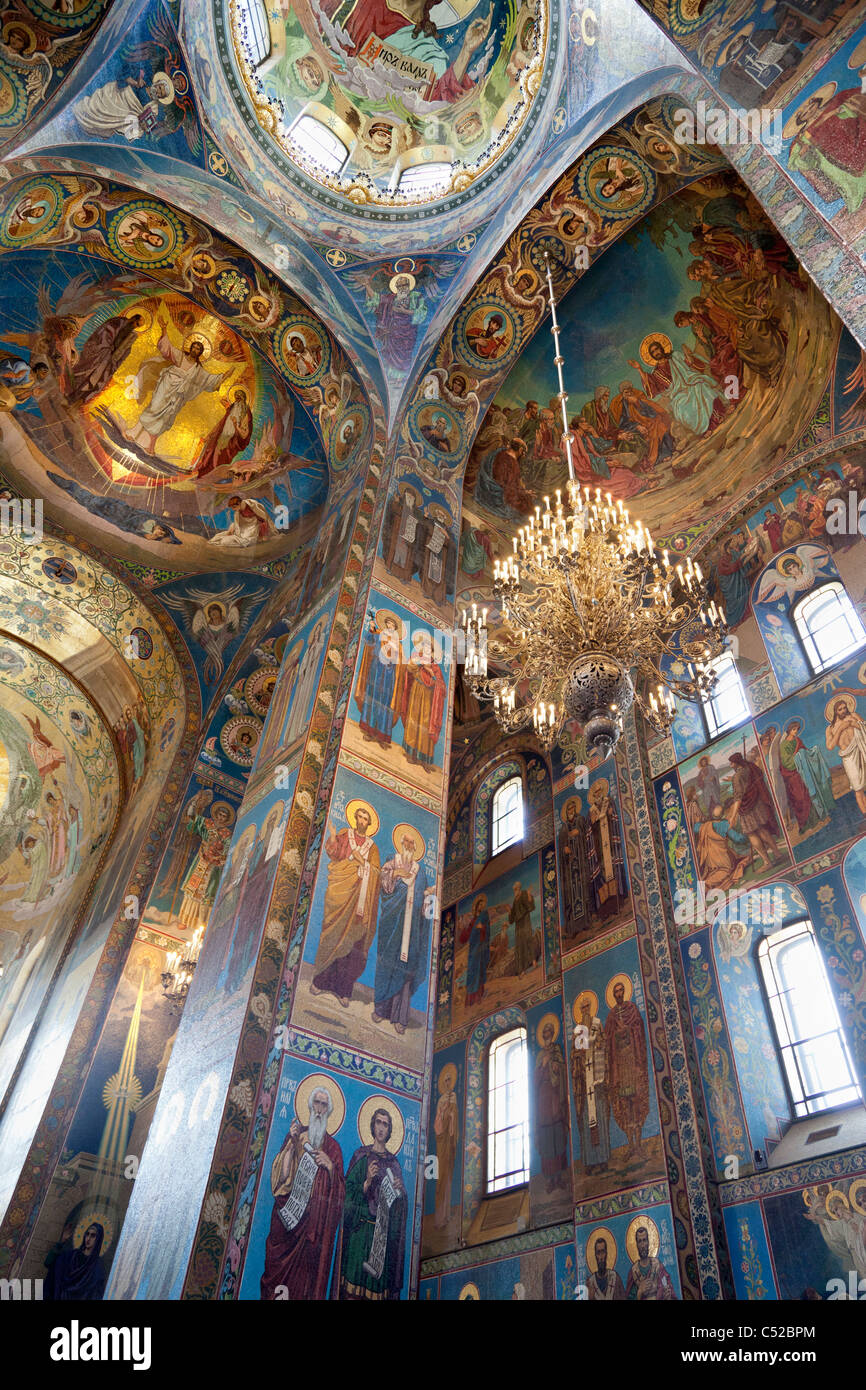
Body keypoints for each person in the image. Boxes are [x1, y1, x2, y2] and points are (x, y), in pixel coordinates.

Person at [260, 1085, 345, 1300]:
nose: (319, 1108)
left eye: (324, 1104)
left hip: (311, 1233)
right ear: (309, 1106)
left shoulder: (333, 1149)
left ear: (329, 1111)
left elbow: (341, 1196)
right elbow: (281, 1178)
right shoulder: (296, 1136)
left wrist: (330, 1168)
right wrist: (290, 1143)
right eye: (316, 1102)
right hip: (287, 1224)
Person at [310, 803, 381, 1006]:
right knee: (335, 937)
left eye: (365, 818)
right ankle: (321, 981)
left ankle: (344, 990)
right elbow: (335, 854)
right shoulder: (345, 834)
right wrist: (333, 836)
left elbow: (377, 872)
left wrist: (365, 865)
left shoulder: (372, 847)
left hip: (360, 901)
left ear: (369, 824)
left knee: (353, 945)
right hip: (342, 894)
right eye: (359, 816)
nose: (361, 820)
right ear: (354, 818)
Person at [127, 320, 230, 453]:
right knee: (153, 408)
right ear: (191, 347)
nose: (195, 350)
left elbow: (210, 380)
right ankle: (133, 432)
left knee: (164, 419)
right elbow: (167, 348)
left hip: (177, 397)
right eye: (194, 347)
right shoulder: (181, 356)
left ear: (200, 352)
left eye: (198, 349)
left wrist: (225, 376)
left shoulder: (198, 369)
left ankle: (150, 445)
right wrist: (164, 328)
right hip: (166, 387)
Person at [339, 1106, 407, 1300]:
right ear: (372, 1125)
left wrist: (400, 1193)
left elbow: (400, 1210)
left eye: (385, 1124)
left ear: (389, 1130)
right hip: (360, 1235)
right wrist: (367, 1181)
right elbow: (346, 1194)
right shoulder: (361, 1157)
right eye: (378, 1122)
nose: (381, 1128)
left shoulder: (393, 1164)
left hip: (381, 1241)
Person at [372, 827, 433, 1034]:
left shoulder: (420, 870)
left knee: (406, 971)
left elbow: (423, 898)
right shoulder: (393, 860)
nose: (409, 846)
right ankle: (381, 1009)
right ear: (400, 844)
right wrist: (397, 873)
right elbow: (384, 884)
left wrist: (428, 895)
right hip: (392, 926)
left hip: (412, 930)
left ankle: (400, 1017)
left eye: (412, 844)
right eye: (406, 842)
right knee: (387, 965)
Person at [604, 980, 648, 1157]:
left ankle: (639, 1143)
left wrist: (628, 1030)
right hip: (620, 1066)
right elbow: (607, 1040)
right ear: (613, 995)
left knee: (637, 1102)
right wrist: (617, 1034)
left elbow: (639, 1029)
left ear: (625, 992)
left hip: (633, 1061)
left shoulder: (632, 1009)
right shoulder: (611, 1016)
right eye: (616, 992)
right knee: (626, 1104)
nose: (619, 993)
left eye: (622, 990)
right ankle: (631, 1145)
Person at [178, 801, 234, 931]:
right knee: (192, 889)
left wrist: (221, 856)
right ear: (215, 814)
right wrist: (192, 806)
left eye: (223, 816)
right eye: (219, 814)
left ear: (227, 819)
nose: (220, 818)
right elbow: (193, 818)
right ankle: (185, 920)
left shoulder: (227, 834)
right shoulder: (207, 824)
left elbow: (228, 848)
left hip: (214, 866)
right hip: (201, 861)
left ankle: (201, 926)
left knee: (207, 894)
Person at [66, 313, 144, 405]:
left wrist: (115, 362)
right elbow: (103, 334)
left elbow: (124, 353)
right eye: (137, 324)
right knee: (88, 375)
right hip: (100, 353)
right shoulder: (117, 322)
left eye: (138, 326)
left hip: (108, 361)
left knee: (98, 381)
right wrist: (107, 350)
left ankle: (76, 400)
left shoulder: (130, 335)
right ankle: (70, 394)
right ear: (133, 319)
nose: (135, 327)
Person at [395, 630, 446, 773]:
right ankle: (411, 754)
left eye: (430, 649)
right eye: (426, 647)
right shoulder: (417, 658)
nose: (427, 650)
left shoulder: (435, 667)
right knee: (413, 721)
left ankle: (424, 759)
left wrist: (431, 673)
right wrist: (416, 664)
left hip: (429, 699)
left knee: (425, 726)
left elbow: (442, 688)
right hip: (416, 693)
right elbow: (409, 669)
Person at [353, 612, 403, 748]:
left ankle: (381, 736)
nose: (390, 626)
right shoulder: (378, 634)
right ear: (385, 625)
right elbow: (368, 641)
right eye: (389, 624)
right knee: (372, 697)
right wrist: (371, 628)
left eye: (393, 625)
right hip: (376, 671)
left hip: (389, 676)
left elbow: (399, 664)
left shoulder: (398, 645)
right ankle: (369, 731)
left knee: (385, 704)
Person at [572, 995, 609, 1173]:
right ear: (580, 1011)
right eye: (582, 1008)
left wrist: (598, 1046)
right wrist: (579, 1055)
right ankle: (589, 1162)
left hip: (597, 1080)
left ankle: (602, 1159)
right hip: (584, 1082)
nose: (585, 1010)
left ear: (591, 1008)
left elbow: (604, 1042)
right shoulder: (579, 1030)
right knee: (587, 1119)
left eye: (587, 1007)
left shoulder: (596, 1024)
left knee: (600, 1116)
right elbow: (575, 1054)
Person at [728, 751, 783, 869]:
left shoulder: (737, 777)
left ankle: (767, 862)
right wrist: (732, 780)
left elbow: (738, 798)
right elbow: (749, 780)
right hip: (757, 805)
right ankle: (778, 854)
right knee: (762, 830)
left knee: (752, 834)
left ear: (736, 763)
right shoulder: (749, 767)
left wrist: (733, 816)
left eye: (732, 763)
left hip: (747, 810)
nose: (730, 765)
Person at [534, 1020, 569, 1192]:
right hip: (543, 1098)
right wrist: (543, 1065)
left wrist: (556, 1067)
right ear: (542, 1035)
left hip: (555, 1095)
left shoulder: (557, 1051)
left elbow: (562, 1069)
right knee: (547, 1137)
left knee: (557, 1133)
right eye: (545, 1030)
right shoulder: (541, 1055)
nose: (547, 1032)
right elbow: (534, 1080)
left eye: (549, 1030)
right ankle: (549, 1179)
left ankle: (559, 1177)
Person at [586, 780, 628, 921]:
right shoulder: (591, 811)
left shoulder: (608, 802)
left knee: (613, 871)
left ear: (602, 791)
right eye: (595, 793)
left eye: (599, 791)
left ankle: (618, 902)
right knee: (602, 874)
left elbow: (614, 816)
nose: (598, 794)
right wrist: (592, 824)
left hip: (610, 844)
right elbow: (589, 831)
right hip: (599, 848)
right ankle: (605, 909)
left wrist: (610, 814)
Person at [191, 387, 253, 479]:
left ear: (243, 399)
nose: (237, 400)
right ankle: (207, 475)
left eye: (239, 398)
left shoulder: (246, 412)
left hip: (233, 440)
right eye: (236, 398)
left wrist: (236, 425)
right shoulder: (232, 408)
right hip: (222, 436)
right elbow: (222, 422)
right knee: (211, 452)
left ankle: (216, 476)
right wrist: (210, 435)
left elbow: (245, 433)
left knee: (221, 457)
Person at [825, 695, 866, 814]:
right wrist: (841, 728)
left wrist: (853, 724)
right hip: (849, 758)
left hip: (861, 750)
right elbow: (830, 746)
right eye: (840, 709)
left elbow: (864, 727)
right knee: (858, 788)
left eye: (844, 708)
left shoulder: (853, 716)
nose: (843, 711)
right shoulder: (830, 728)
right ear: (835, 712)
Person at [45, 1222, 106, 1300]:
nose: (88, 1238)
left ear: (98, 1239)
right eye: (87, 1234)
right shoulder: (71, 1256)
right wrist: (61, 1242)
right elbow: (48, 1263)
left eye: (93, 1235)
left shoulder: (97, 1267)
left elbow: (97, 1294)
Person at [558, 797, 589, 939]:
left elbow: (584, 832)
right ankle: (574, 928)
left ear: (575, 809)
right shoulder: (563, 829)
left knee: (582, 892)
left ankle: (585, 922)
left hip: (580, 861)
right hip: (569, 870)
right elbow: (562, 845)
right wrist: (564, 849)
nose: (571, 811)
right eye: (568, 810)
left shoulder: (580, 820)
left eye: (572, 809)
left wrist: (577, 834)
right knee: (572, 896)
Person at [433, 1068, 458, 1231]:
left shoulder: (454, 1098)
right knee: (440, 1178)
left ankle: (447, 1214)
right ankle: (439, 1217)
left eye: (450, 1080)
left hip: (450, 1142)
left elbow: (455, 1118)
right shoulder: (441, 1100)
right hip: (441, 1143)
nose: (448, 1083)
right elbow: (437, 1125)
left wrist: (452, 1116)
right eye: (446, 1080)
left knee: (448, 1177)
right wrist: (443, 1112)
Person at [626, 1224, 675, 1300]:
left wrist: (667, 1296)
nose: (643, 1245)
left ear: (648, 1242)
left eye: (644, 1240)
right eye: (640, 1241)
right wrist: (640, 1292)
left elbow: (668, 1290)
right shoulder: (633, 1272)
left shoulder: (658, 1265)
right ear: (637, 1245)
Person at [461, 894, 490, 1006]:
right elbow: (464, 938)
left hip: (481, 947)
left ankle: (479, 996)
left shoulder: (484, 916)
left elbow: (487, 930)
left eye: (483, 905)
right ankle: (470, 999)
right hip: (473, 950)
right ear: (477, 905)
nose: (482, 907)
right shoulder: (473, 920)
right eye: (480, 904)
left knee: (480, 970)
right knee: (472, 972)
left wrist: (482, 928)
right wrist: (466, 927)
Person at [587, 1235, 625, 1300]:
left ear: (606, 1254)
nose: (601, 1257)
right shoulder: (591, 1283)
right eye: (598, 1253)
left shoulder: (615, 1278)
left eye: (603, 1252)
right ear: (595, 1255)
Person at [509, 879, 535, 976]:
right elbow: (511, 919)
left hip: (525, 923)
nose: (514, 891)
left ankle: (533, 961)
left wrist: (529, 896)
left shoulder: (524, 894)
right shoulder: (515, 901)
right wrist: (509, 912)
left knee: (528, 940)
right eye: (514, 890)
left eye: (515, 889)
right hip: (518, 927)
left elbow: (530, 907)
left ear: (519, 888)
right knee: (519, 946)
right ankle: (522, 970)